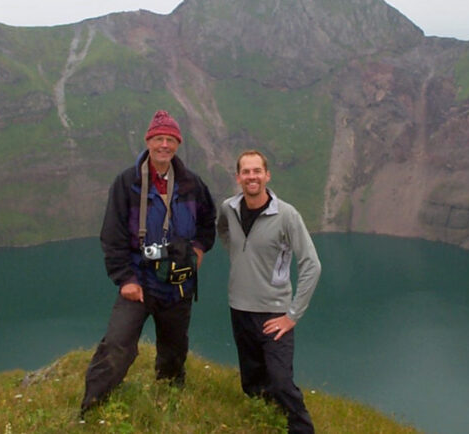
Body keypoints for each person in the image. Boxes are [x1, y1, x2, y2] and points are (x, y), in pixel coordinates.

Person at [80, 110, 217, 416]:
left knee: (174, 350)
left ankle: (169, 402)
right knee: (117, 345)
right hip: (139, 282)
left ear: (178, 144)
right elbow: (112, 234)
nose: (164, 145)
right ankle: (92, 406)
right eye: (158, 139)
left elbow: (208, 221)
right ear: (148, 141)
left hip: (178, 284)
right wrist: (125, 279)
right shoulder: (127, 183)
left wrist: (197, 250)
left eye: (170, 139)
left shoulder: (192, 184)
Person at [217, 150, 322, 434]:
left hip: (275, 313)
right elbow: (223, 231)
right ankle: (266, 424)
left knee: (281, 382)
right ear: (238, 177)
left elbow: (311, 265)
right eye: (246, 172)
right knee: (252, 380)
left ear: (267, 175)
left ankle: (301, 429)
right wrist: (240, 255)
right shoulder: (229, 208)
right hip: (240, 308)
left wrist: (292, 316)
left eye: (257, 171)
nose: (251, 177)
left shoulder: (286, 215)